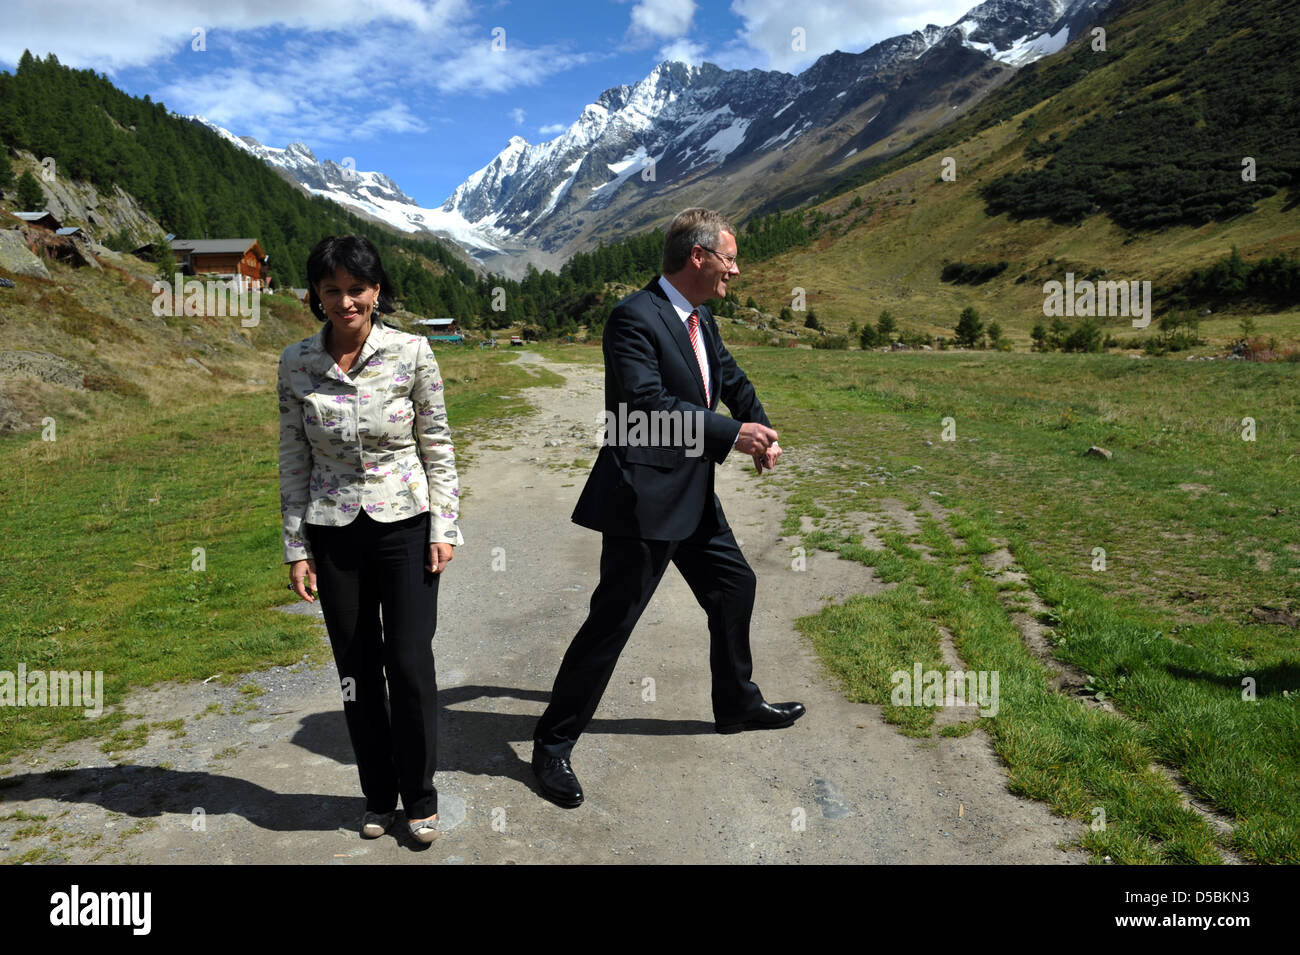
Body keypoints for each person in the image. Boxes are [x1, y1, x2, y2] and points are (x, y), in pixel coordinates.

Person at [531, 208, 805, 808]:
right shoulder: (634, 317)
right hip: (644, 499)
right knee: (612, 624)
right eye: (729, 257)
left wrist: (759, 424)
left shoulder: (701, 317)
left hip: (694, 493)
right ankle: (551, 746)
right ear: (699, 257)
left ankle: (736, 702)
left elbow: (730, 378)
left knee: (734, 588)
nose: (736, 268)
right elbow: (646, 406)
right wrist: (732, 437)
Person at [278, 234, 462, 843]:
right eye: (332, 290)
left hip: (406, 526)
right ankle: (378, 796)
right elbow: (293, 457)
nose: (345, 301)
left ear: (376, 291)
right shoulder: (296, 362)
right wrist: (296, 546)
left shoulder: (412, 353)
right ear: (317, 296)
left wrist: (444, 524)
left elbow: (437, 443)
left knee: (409, 663)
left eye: (356, 288)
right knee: (355, 668)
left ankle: (421, 795)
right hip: (333, 532)